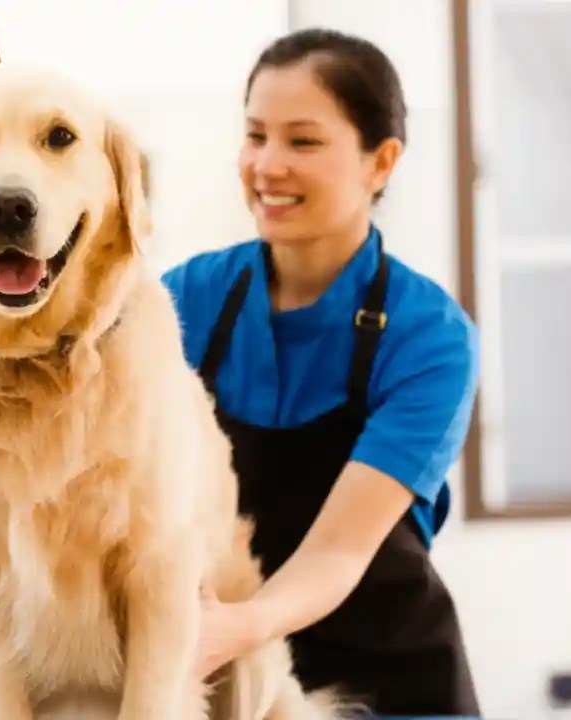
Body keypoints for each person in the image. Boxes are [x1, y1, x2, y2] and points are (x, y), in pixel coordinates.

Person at [161, 28, 482, 717]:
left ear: (381, 160)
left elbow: (338, 552)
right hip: (239, 683)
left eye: (302, 142)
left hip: (393, 684)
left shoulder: (431, 336)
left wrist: (220, 633)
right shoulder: (185, 300)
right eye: (255, 135)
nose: (267, 165)